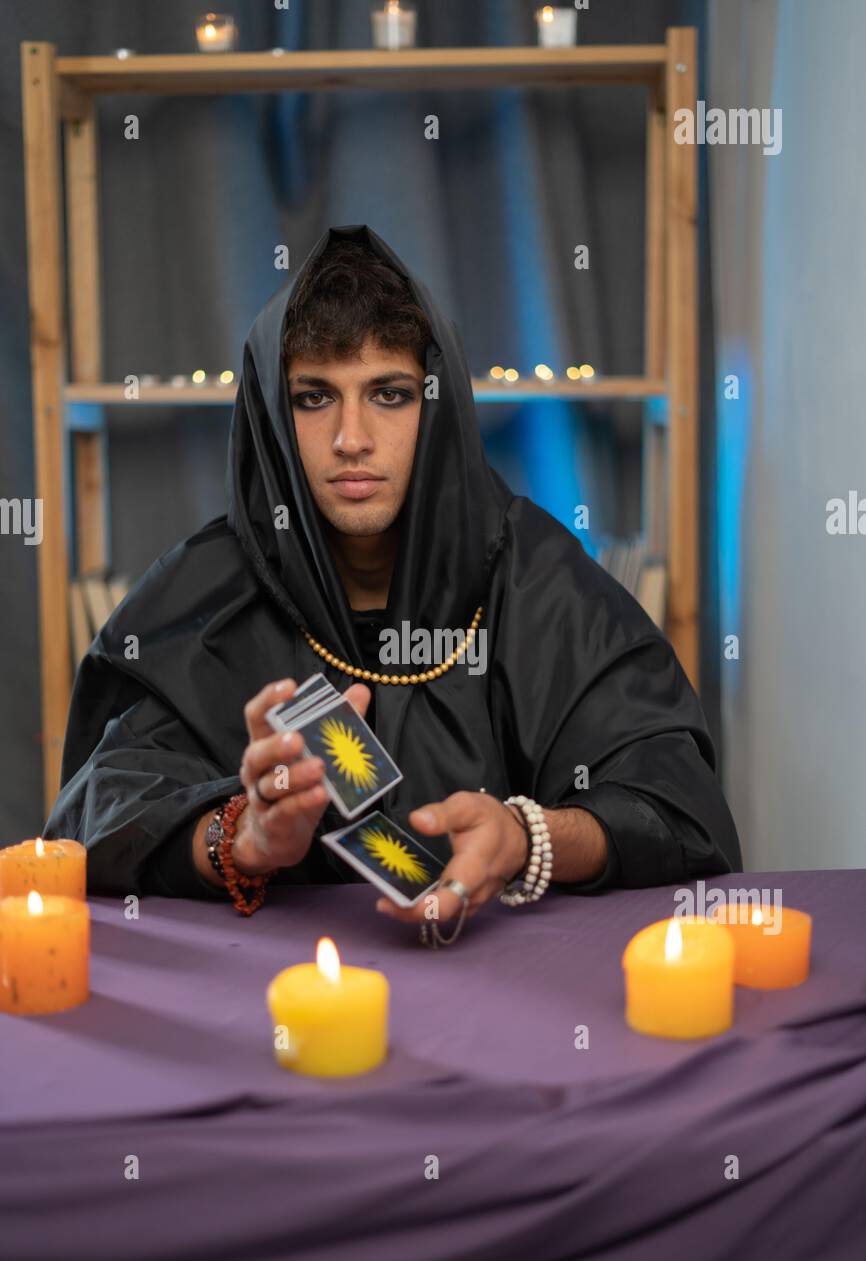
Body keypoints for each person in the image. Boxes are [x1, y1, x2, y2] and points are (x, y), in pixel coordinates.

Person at [45, 225, 741, 938]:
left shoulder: (537, 578)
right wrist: (240, 836)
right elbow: (95, 818)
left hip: (510, 997)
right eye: (314, 398)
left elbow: (675, 807)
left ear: (436, 405)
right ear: (272, 417)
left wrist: (527, 838)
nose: (352, 438)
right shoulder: (196, 602)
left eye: (390, 394)